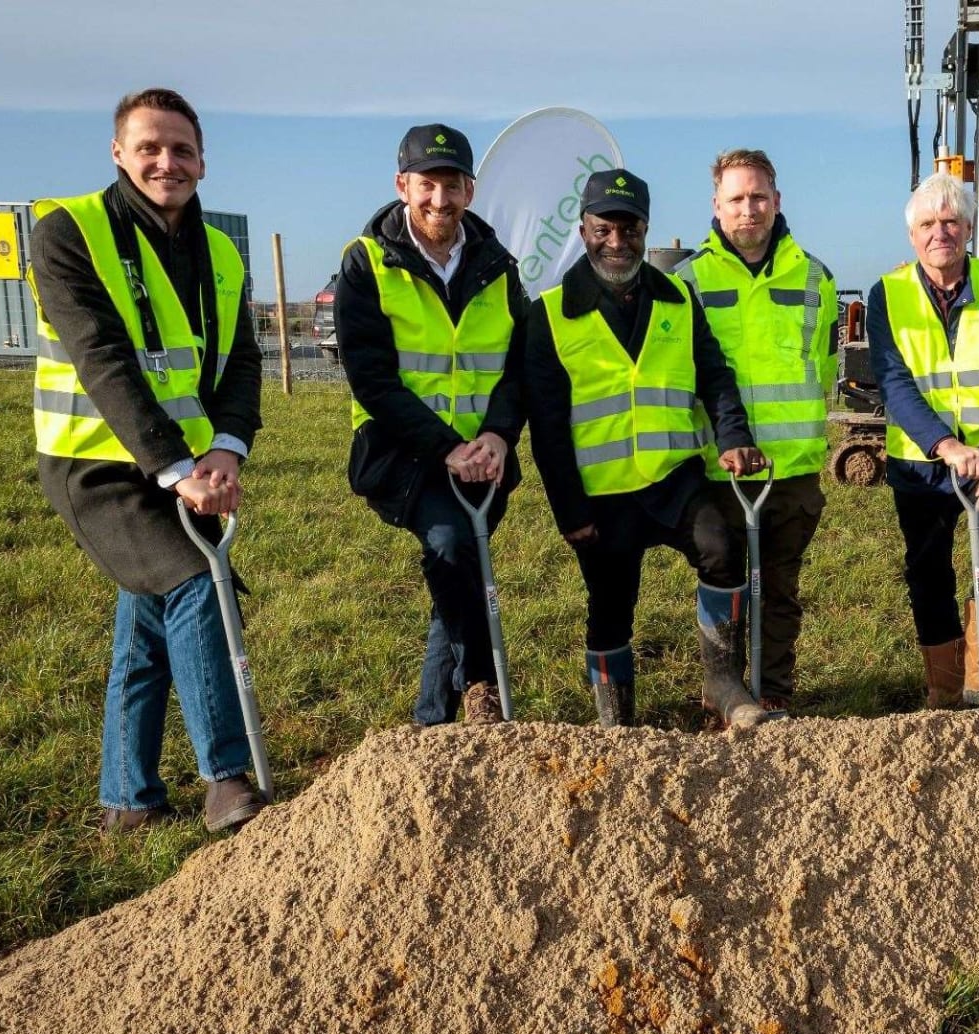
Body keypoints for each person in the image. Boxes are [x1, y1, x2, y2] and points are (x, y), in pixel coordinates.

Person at [27, 88, 266, 833]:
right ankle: (227, 780)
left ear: (203, 159)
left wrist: (226, 446)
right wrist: (176, 469)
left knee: (150, 613)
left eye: (182, 149)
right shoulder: (68, 231)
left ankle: (127, 800)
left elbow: (242, 360)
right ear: (118, 153)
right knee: (196, 579)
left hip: (188, 459)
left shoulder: (220, 251)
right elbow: (102, 360)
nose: (168, 161)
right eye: (150, 147)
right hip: (94, 461)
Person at [522, 169, 768, 730]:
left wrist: (733, 437)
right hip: (601, 500)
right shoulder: (550, 314)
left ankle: (723, 684)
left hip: (675, 481)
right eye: (604, 229)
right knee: (609, 610)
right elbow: (549, 429)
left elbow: (714, 376)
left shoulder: (678, 299)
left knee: (724, 549)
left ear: (645, 229)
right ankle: (618, 728)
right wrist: (570, 512)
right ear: (584, 230)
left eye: (629, 230)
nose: (617, 242)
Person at [337, 124, 527, 726]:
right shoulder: (366, 262)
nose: (439, 201)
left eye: (452, 186)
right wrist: (446, 448)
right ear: (402, 186)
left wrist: (496, 435)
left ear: (471, 189)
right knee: (450, 546)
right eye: (427, 185)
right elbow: (372, 379)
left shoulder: (498, 266)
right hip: (401, 452)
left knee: (460, 563)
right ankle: (481, 683)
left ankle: (431, 723)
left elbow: (519, 368)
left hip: (484, 455)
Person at [866, 171, 979, 709]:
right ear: (912, 236)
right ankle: (943, 686)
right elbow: (893, 383)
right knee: (927, 565)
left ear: (968, 229)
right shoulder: (887, 295)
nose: (939, 232)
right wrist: (944, 446)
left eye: (950, 221)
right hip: (923, 463)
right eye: (927, 224)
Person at [672, 149, 839, 717]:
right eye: (737, 199)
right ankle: (723, 689)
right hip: (719, 467)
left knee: (779, 588)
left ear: (777, 201)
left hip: (791, 467)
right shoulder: (686, 280)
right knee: (727, 583)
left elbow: (820, 361)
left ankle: (774, 693)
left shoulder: (815, 276)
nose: (749, 209)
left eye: (759, 197)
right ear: (717, 205)